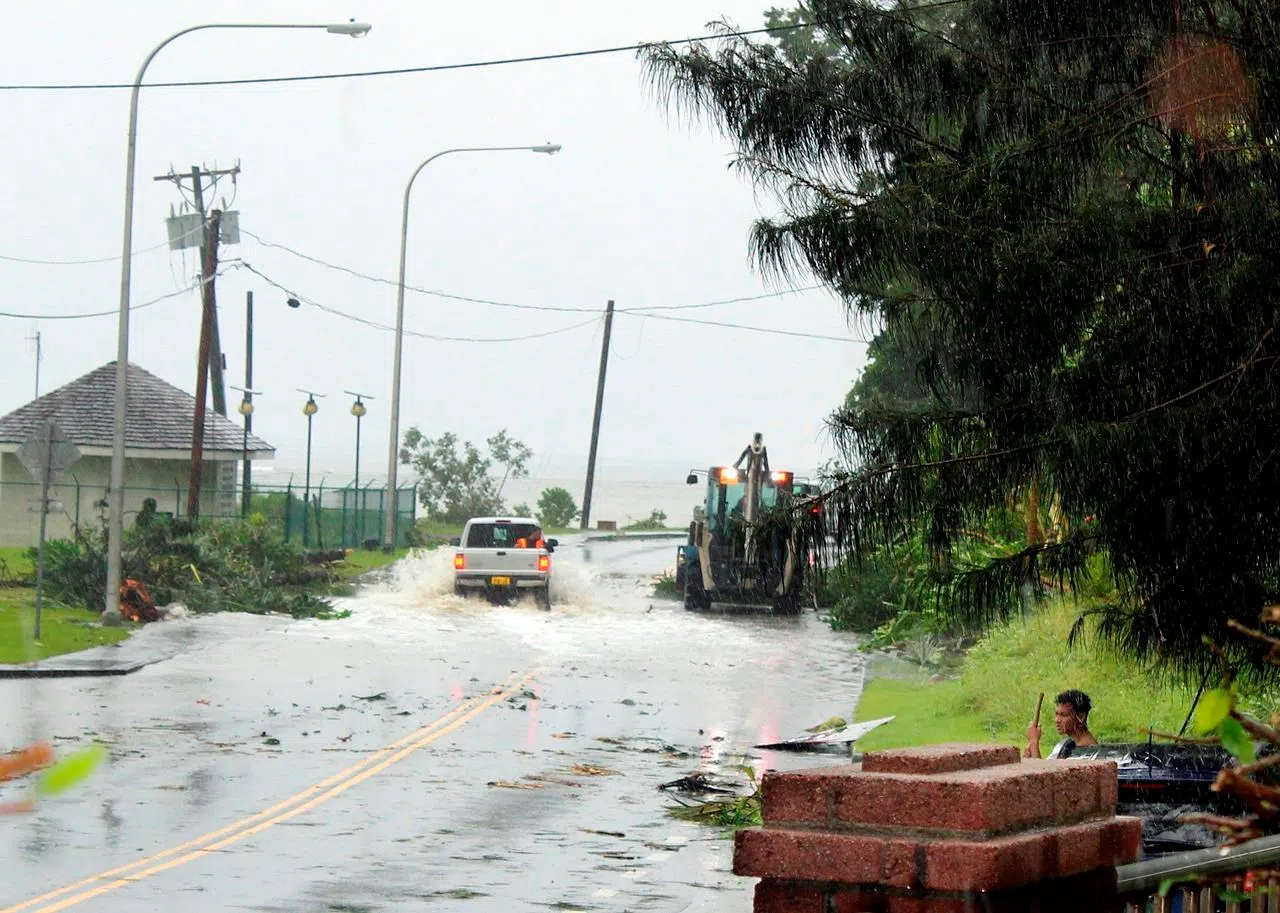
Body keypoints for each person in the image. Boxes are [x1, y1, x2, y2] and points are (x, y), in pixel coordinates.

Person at [1025, 689, 1097, 759]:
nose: (1057, 720)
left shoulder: (1087, 753)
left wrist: (1034, 742)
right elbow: (1047, 767)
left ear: (1081, 717)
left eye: (1063, 715)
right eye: (1057, 714)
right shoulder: (1066, 745)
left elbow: (1042, 771)